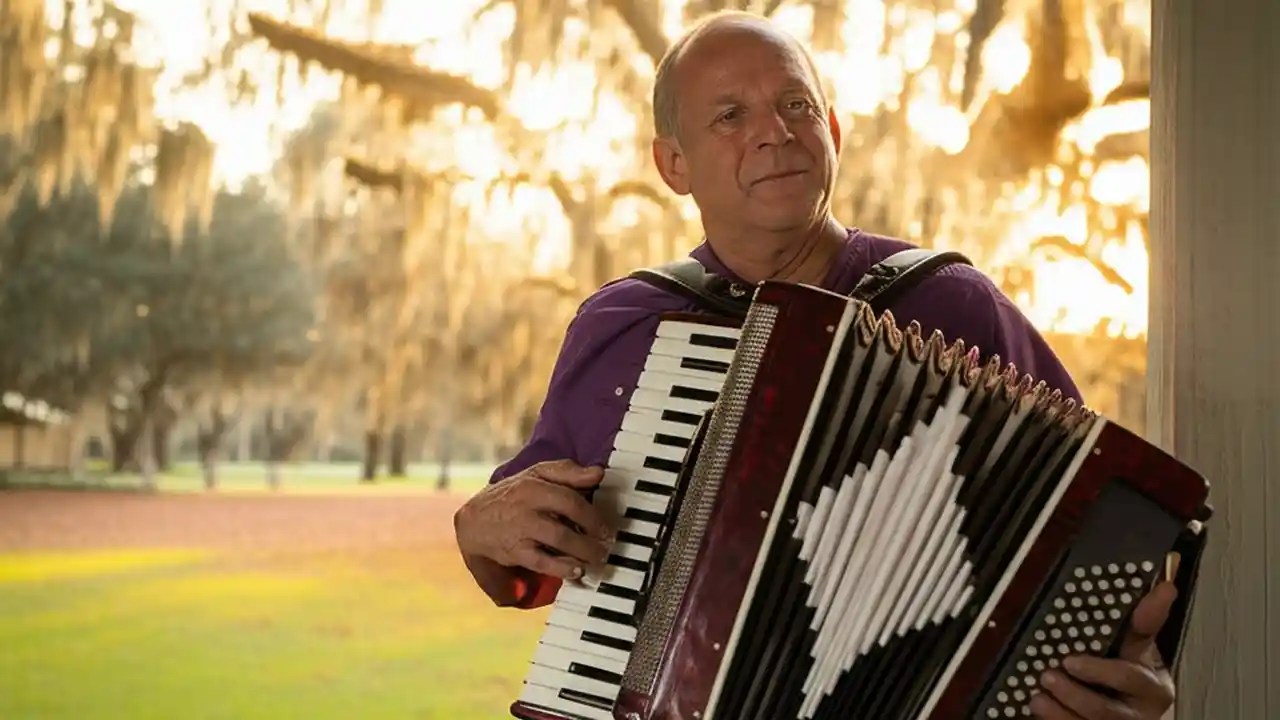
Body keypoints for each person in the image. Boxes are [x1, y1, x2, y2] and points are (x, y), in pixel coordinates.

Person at [454, 11, 1177, 719]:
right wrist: (478, 532)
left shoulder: (952, 304)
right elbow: (525, 564)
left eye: (796, 104)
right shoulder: (628, 326)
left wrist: (1133, 667)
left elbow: (1098, 517)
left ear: (831, 132)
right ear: (673, 164)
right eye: (730, 116)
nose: (774, 132)